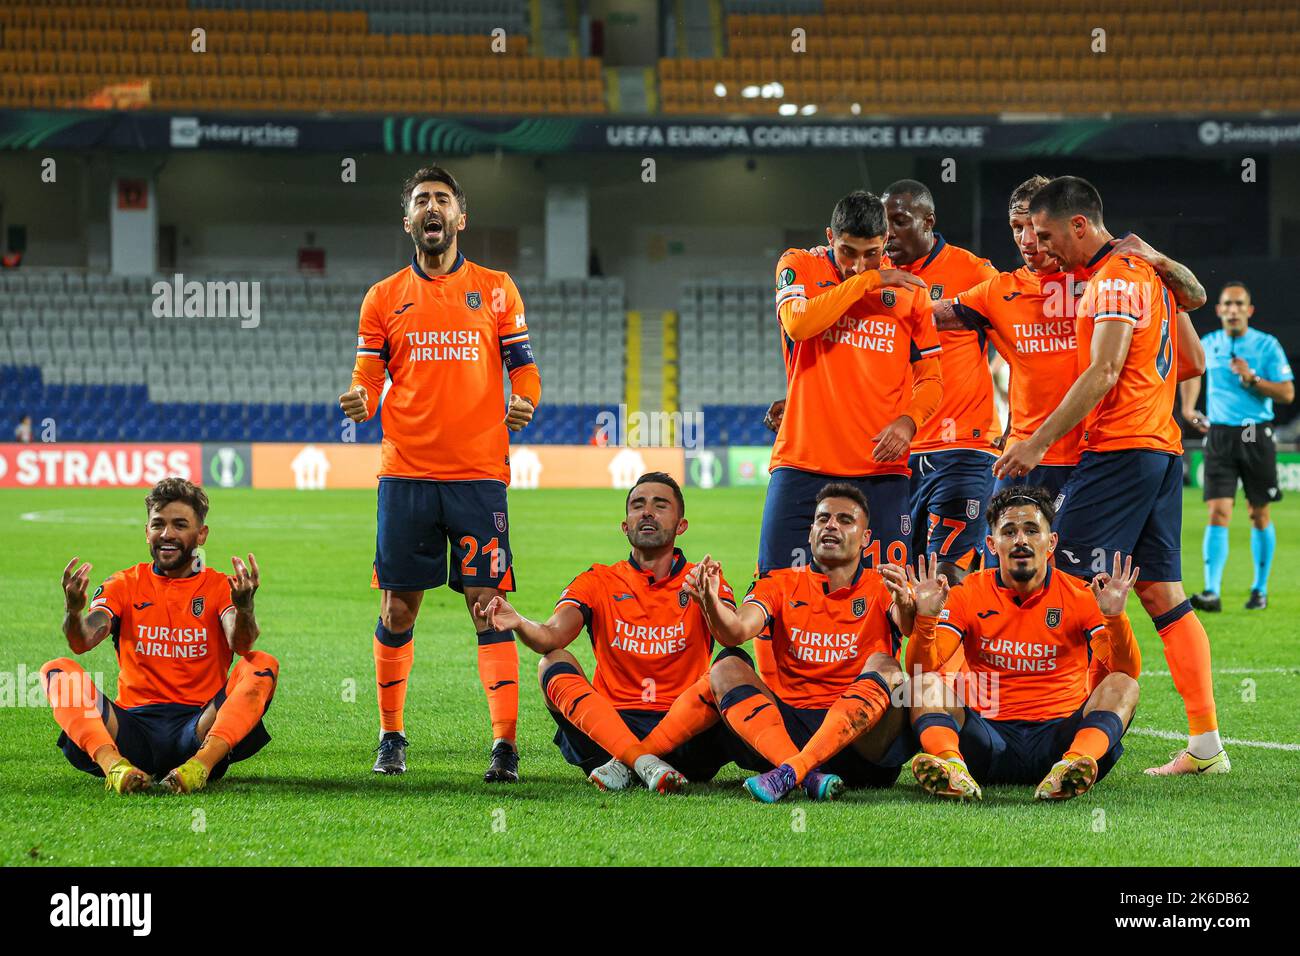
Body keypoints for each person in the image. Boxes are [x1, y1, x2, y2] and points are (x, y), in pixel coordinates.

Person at [995, 175, 1224, 776]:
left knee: (1066, 585)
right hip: (1161, 450)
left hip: (1120, 450)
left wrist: (1034, 443)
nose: (1040, 246)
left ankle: (1065, 727)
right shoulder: (1149, 272)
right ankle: (1205, 745)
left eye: (1045, 234)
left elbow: (1102, 373)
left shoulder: (1116, 278)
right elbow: (1194, 360)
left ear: (1079, 225)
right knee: (1162, 594)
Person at [339, 165, 541, 782]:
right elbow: (369, 376)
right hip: (405, 475)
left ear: (460, 218)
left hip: (479, 475)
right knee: (399, 608)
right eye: (422, 200)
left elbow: (524, 368)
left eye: (443, 200)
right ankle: (391, 735)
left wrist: (526, 399)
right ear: (408, 221)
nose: (433, 208)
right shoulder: (382, 296)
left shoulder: (497, 287)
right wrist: (361, 398)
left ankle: (504, 744)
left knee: (490, 606)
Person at [933, 176, 1208, 535]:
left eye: (1038, 230)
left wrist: (1159, 261)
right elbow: (925, 318)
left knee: (1090, 575)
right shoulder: (1000, 291)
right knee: (1004, 573)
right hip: (1025, 458)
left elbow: (1192, 348)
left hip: (1091, 456)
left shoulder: (1110, 277)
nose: (1028, 241)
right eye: (1017, 228)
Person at [475, 473, 735, 793]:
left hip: (687, 733)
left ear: (681, 525)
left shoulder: (704, 580)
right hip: (606, 731)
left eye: (660, 505)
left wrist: (709, 602)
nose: (647, 512)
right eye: (638, 505)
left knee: (732, 664)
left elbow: (732, 637)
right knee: (553, 662)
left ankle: (630, 762)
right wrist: (519, 622)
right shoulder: (598, 580)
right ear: (625, 526)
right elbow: (550, 637)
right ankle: (642, 761)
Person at [901, 486, 1140, 801]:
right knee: (921, 684)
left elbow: (1125, 669)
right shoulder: (968, 593)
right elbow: (922, 667)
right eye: (1009, 532)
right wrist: (927, 620)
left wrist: (1115, 618)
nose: (1021, 540)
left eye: (1031, 530)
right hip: (986, 741)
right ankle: (953, 767)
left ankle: (1071, 767)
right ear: (991, 543)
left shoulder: (1081, 596)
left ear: (1050, 542)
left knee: (1124, 685)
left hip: (1060, 741)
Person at [41, 478, 277, 794]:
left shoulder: (219, 586)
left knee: (262, 663)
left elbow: (242, 644)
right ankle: (115, 767)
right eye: (158, 524)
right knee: (57, 670)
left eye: (180, 525)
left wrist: (245, 608)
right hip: (130, 730)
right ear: (147, 531)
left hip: (198, 729)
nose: (167, 534)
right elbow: (81, 641)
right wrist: (73, 612)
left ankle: (199, 768)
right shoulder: (124, 584)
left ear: (201, 534)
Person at [686, 483, 914, 802]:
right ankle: (803, 771)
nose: (831, 525)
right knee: (726, 666)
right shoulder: (778, 583)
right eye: (823, 519)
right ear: (810, 534)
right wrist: (711, 603)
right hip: (787, 729)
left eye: (845, 520)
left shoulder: (882, 586)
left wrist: (908, 604)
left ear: (865, 538)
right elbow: (734, 631)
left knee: (887, 666)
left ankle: (794, 769)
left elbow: (910, 626)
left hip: (860, 743)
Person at [760, 189, 938, 574]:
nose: (859, 265)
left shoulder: (908, 291)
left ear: (885, 241)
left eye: (871, 253)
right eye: (848, 252)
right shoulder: (799, 265)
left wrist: (908, 423)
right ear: (830, 238)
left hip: (879, 469)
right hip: (801, 462)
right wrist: (870, 280)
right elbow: (800, 324)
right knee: (776, 593)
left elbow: (932, 379)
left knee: (886, 600)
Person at [881, 179, 999, 584]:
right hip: (894, 455)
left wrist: (1020, 421)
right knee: (898, 583)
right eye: (884, 224)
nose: (889, 233)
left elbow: (1016, 350)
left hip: (962, 448)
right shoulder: (874, 276)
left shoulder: (973, 271)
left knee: (946, 581)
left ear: (928, 220)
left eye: (899, 221)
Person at [1182, 282, 1294, 611]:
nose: (1232, 310)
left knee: (1258, 512)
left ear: (1249, 310)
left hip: (1255, 434)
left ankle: (1259, 589)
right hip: (1219, 435)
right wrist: (1189, 409)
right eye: (1227, 304)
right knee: (1218, 512)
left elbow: (1287, 393)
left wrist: (1254, 379)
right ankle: (1212, 592)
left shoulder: (1266, 345)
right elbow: (1192, 371)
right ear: (1218, 310)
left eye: (1238, 304)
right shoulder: (1209, 343)